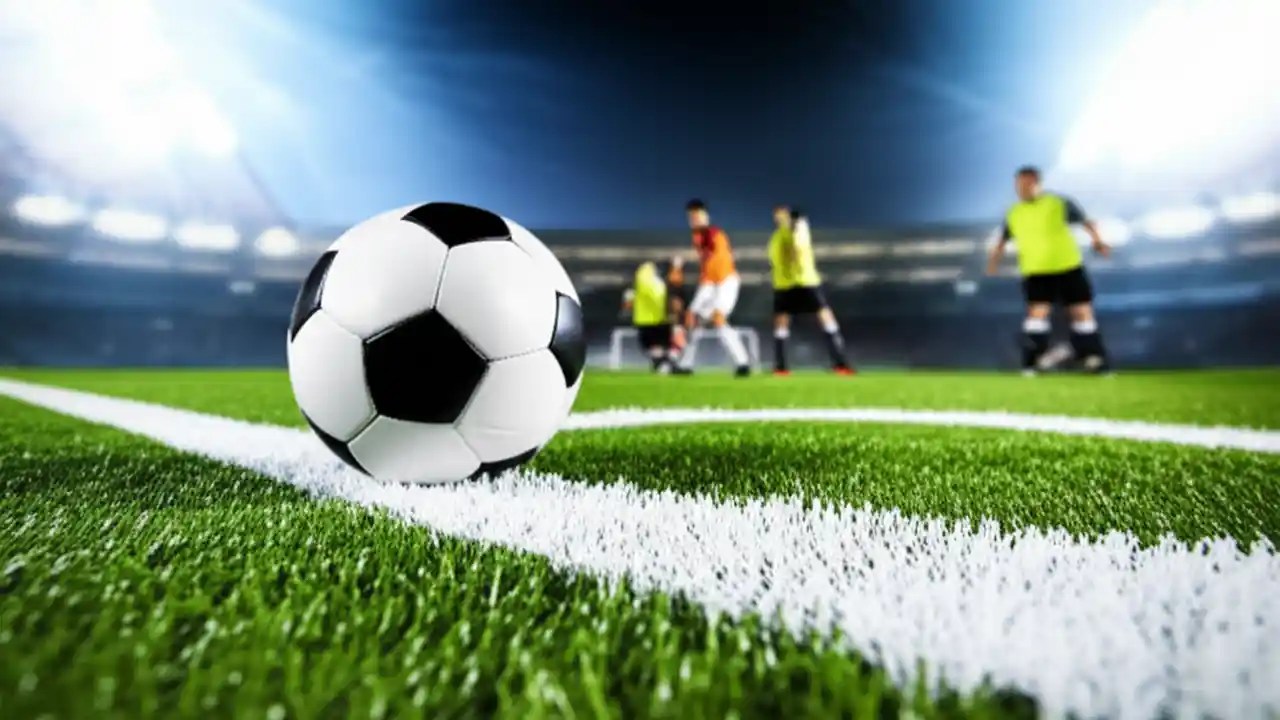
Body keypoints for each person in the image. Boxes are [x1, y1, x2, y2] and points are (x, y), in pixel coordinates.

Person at [986, 166, 1112, 374]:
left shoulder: (1059, 203)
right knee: (1037, 314)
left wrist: (1098, 241)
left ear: (1037, 183)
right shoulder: (1014, 212)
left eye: (1027, 184)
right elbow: (1002, 239)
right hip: (1036, 271)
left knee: (1082, 312)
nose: (1022, 188)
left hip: (1068, 266)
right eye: (1019, 185)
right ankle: (1032, 362)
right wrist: (993, 263)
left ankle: (1093, 359)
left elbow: (1087, 222)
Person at [768, 206, 854, 376]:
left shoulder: (795, 229)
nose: (779, 217)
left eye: (782, 214)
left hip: (802, 281)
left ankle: (840, 363)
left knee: (823, 317)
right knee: (784, 322)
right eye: (776, 215)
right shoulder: (779, 236)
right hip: (789, 283)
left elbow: (796, 249)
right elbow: (782, 256)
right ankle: (781, 366)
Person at [679, 199, 751, 376]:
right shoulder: (696, 237)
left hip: (726, 281)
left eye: (698, 215)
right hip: (709, 283)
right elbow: (706, 264)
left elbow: (716, 258)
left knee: (718, 318)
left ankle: (743, 363)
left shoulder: (714, 233)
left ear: (706, 216)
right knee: (692, 319)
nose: (695, 219)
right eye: (691, 216)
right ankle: (684, 364)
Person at [622, 262, 679, 373]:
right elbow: (671, 302)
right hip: (660, 320)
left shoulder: (635, 288)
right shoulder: (660, 285)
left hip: (644, 321)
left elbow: (628, 305)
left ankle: (663, 365)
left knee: (652, 346)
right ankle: (666, 365)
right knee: (662, 345)